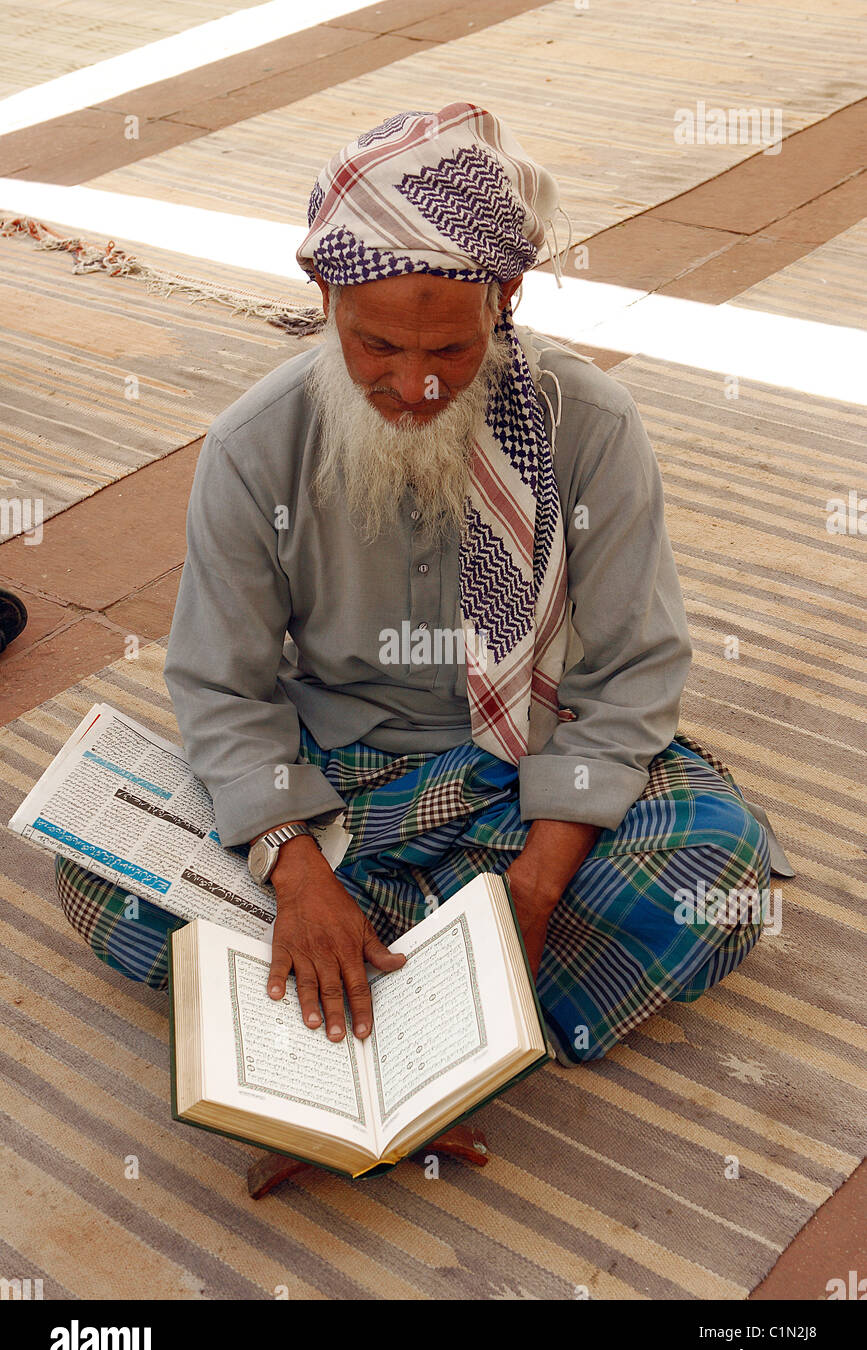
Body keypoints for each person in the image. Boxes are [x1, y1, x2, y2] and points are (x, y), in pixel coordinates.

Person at [55, 102, 776, 1065]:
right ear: (324, 297)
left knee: (708, 863)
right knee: (105, 878)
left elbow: (632, 672)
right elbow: (222, 685)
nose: (414, 387)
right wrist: (295, 869)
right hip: (338, 780)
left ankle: (366, 1026)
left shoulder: (590, 425)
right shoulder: (254, 443)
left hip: (532, 765)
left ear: (505, 295)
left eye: (448, 351)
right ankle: (449, 997)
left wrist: (533, 887)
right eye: (376, 348)